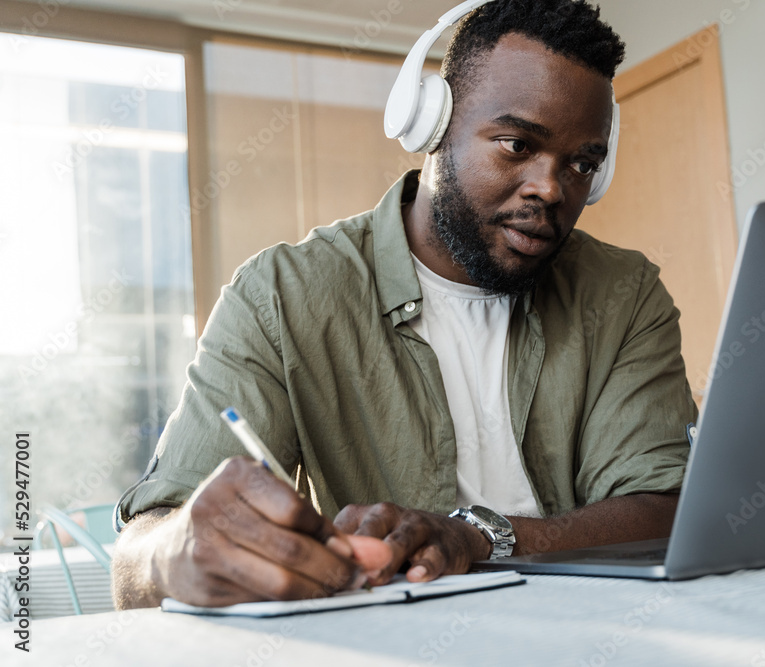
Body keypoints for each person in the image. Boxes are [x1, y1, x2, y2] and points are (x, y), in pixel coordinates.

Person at [111, 0, 698, 610]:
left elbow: (667, 510)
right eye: (517, 143)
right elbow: (140, 556)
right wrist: (171, 553)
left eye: (582, 164)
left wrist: (479, 538)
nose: (551, 188)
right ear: (431, 124)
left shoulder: (624, 291)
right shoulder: (281, 296)